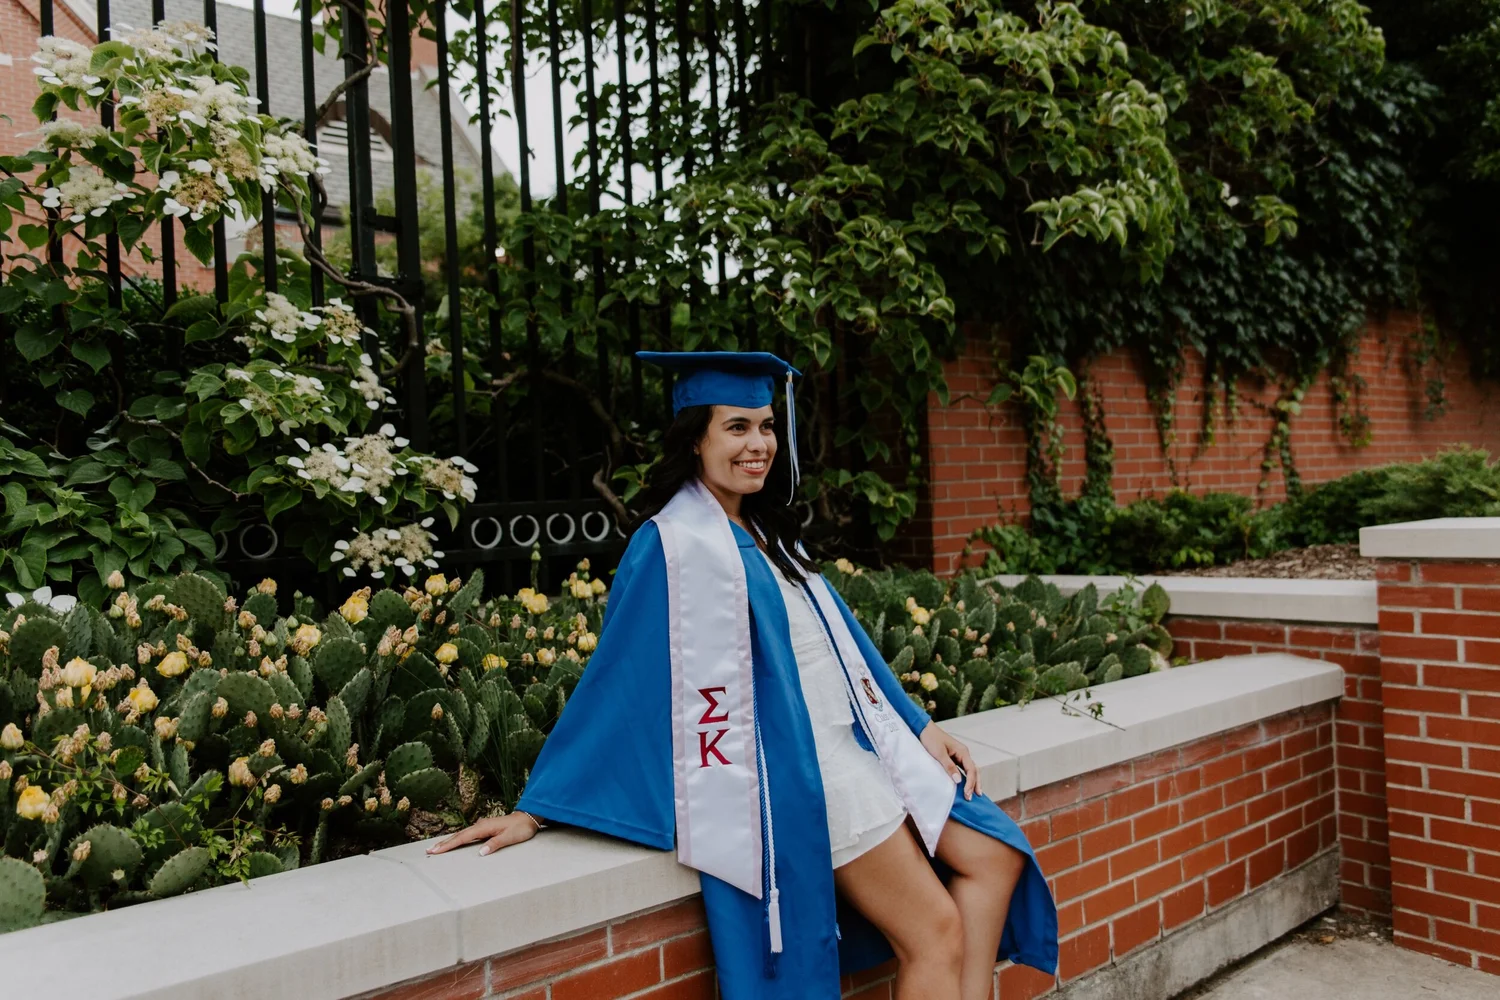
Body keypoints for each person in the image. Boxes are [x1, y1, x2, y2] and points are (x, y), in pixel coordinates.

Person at [428, 351, 1058, 1000]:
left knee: (995, 856)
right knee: (936, 934)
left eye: (765, 426)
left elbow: (842, 646)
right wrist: (537, 811)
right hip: (811, 773)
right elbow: (618, 679)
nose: (758, 444)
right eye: (736, 428)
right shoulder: (673, 544)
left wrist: (919, 723)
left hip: (864, 743)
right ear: (694, 439)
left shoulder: (767, 530)